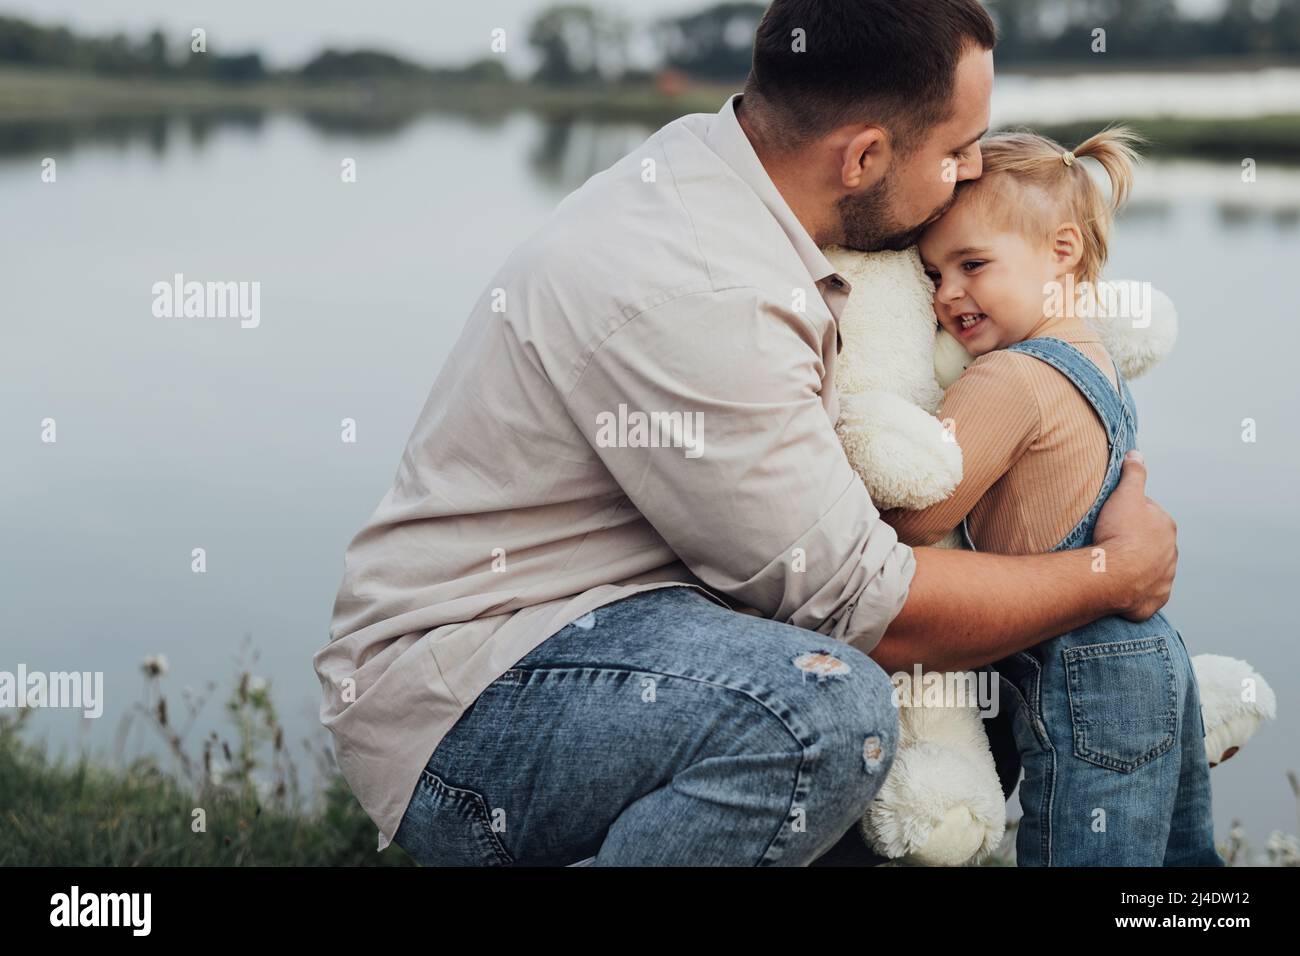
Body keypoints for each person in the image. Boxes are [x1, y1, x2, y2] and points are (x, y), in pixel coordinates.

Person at [314, 0, 1179, 866]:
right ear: (865, 156)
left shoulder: (748, 182)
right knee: (823, 715)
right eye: (957, 150)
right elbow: (868, 611)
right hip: (480, 692)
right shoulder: (702, 287)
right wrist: (1113, 572)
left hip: (647, 625)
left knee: (971, 686)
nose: (972, 170)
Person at [882, 126, 1221, 866]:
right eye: (932, 276)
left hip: (1083, 665)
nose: (948, 296)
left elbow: (916, 514)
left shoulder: (1007, 379)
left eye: (972, 265)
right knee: (1179, 868)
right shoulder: (1094, 355)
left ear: (1062, 251)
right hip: (1154, 650)